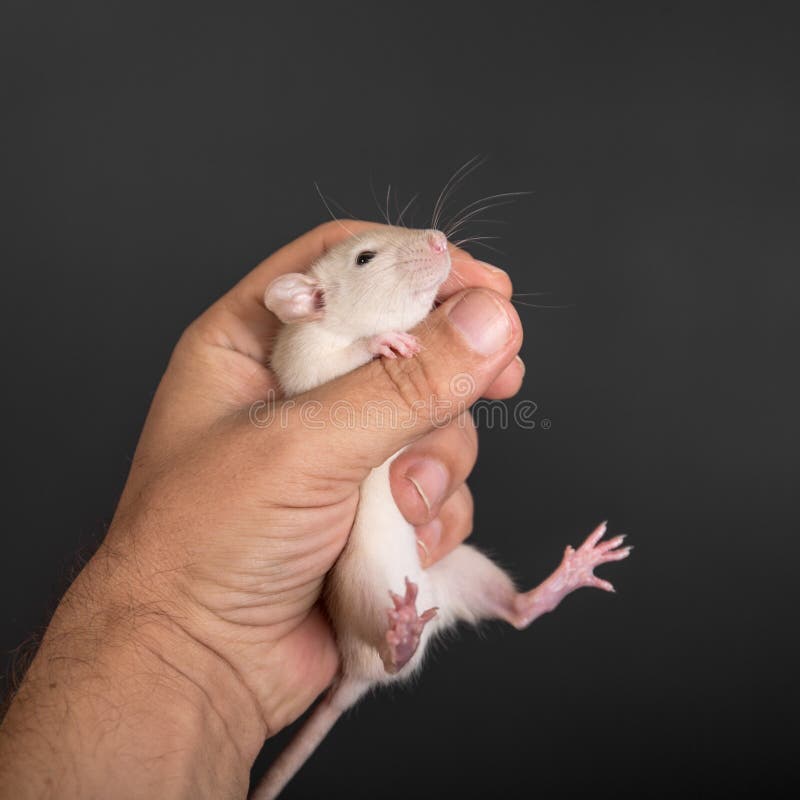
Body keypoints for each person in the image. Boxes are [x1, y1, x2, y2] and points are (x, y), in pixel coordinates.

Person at [0, 221, 523, 798]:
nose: (433, 241)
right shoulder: (310, 333)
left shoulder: (369, 329)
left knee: (434, 553)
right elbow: (307, 374)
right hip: (363, 594)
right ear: (312, 299)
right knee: (399, 568)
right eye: (370, 258)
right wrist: (368, 349)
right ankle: (398, 641)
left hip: (343, 578)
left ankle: (502, 607)